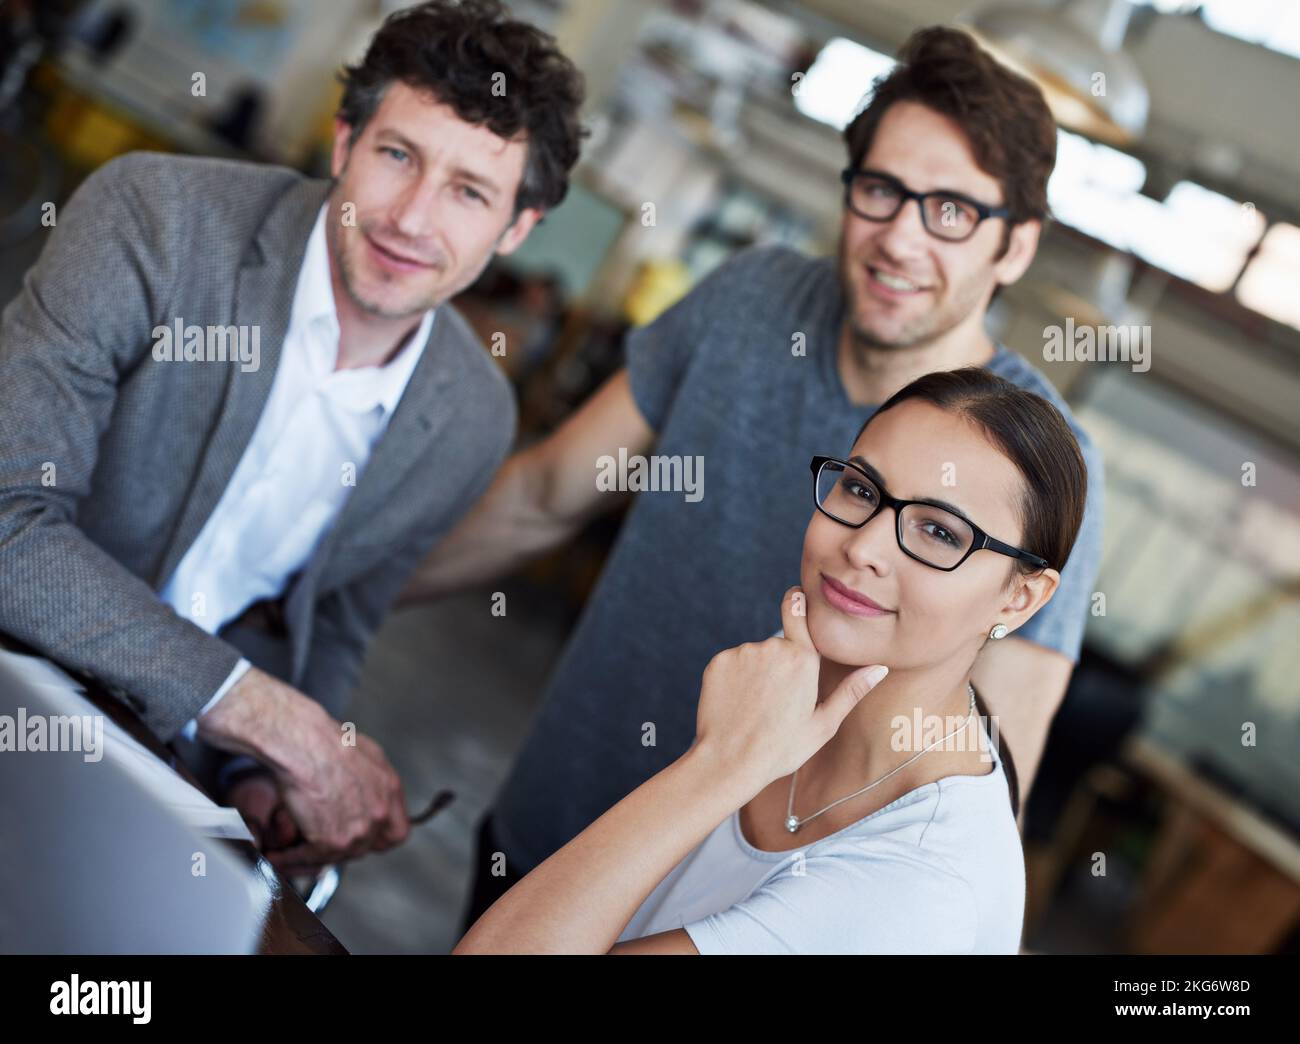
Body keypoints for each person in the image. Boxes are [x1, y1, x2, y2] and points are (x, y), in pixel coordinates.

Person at [397, 25, 1105, 927]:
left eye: (952, 211)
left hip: (745, 913)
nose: (900, 239)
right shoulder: (753, 298)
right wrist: (334, 591)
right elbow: (543, 497)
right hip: (559, 831)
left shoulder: (1040, 465)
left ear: (1015, 248)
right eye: (881, 191)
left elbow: (990, 753)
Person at [0, 0, 584, 872]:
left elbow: (331, 625)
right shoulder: (155, 219)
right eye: (397, 155)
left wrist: (258, 776)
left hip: (163, 780)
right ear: (344, 142)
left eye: (469, 191)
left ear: (516, 229)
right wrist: (263, 716)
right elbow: (8, 520)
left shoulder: (471, 416)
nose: (413, 220)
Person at [454, 367, 1087, 954]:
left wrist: (717, 765)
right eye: (862, 489)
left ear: (1021, 597)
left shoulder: (915, 889)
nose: (863, 545)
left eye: (940, 531)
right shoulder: (785, 705)